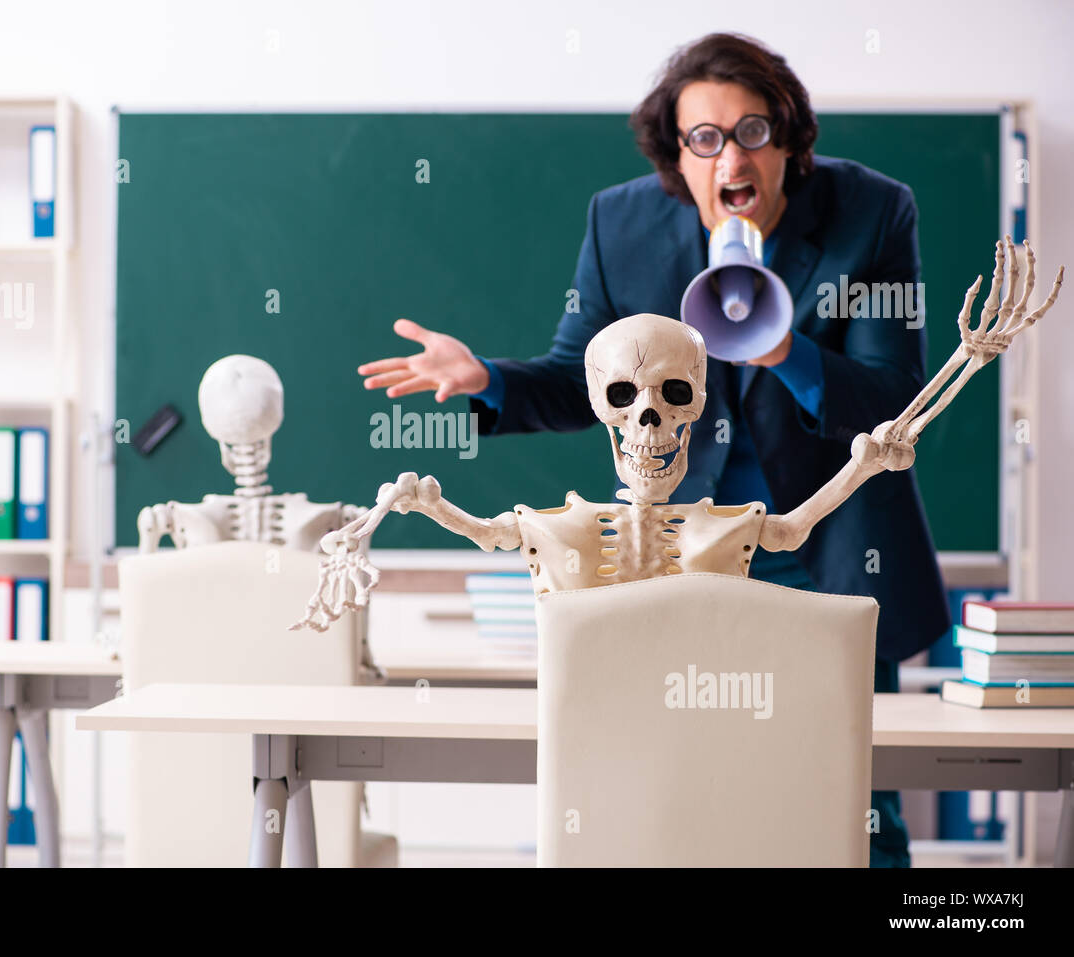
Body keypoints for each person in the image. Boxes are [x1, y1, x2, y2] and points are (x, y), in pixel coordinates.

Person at [355, 32, 951, 868]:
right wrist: (485, 376)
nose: (729, 156)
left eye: (753, 130)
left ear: (788, 140)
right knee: (674, 785)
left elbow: (899, 405)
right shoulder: (623, 222)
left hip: (828, 554)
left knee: (853, 803)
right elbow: (581, 380)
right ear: (678, 155)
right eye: (704, 137)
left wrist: (784, 348)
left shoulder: (873, 211)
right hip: (677, 557)